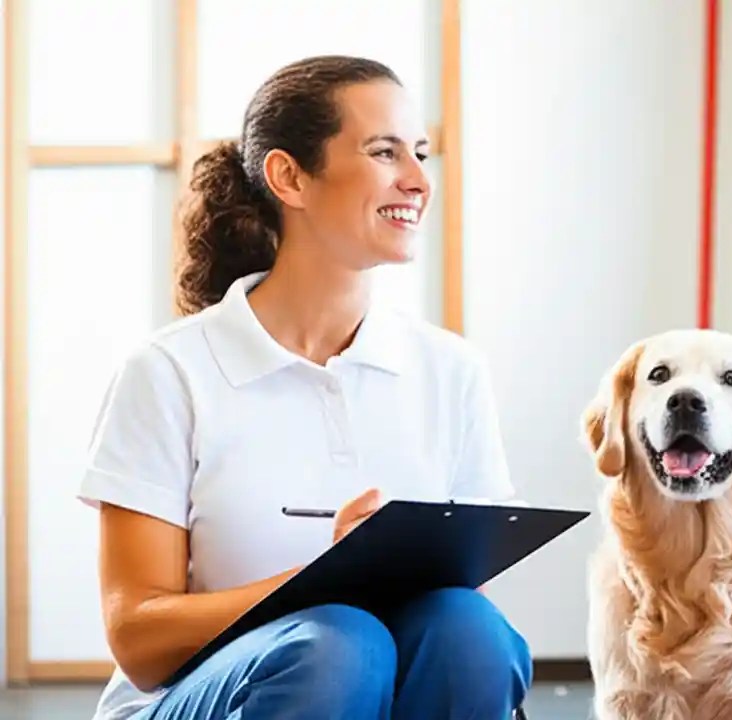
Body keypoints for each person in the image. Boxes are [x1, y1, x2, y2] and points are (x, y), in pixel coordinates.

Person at [77, 55, 532, 720]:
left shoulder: (452, 371)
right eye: (384, 152)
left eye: (421, 154)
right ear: (289, 176)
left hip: (383, 688)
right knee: (339, 646)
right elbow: (139, 640)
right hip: (188, 697)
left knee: (469, 631)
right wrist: (329, 581)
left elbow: (459, 609)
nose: (417, 181)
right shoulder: (168, 373)